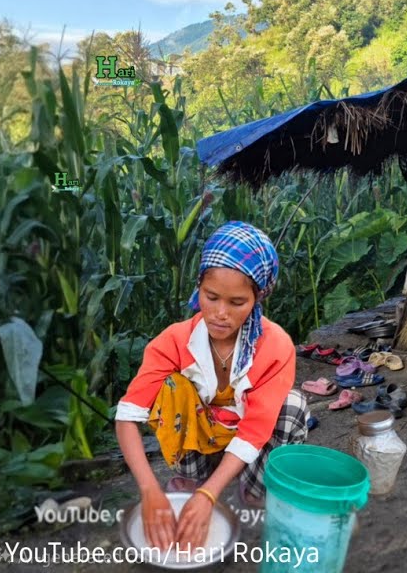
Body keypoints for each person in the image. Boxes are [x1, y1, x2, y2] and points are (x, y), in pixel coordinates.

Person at [114, 221, 307, 551]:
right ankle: (193, 477)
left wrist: (209, 495)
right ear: (198, 286)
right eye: (211, 297)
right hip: (200, 441)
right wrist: (149, 489)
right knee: (173, 386)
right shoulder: (173, 341)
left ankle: (252, 489)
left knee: (293, 406)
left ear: (258, 297)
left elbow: (255, 431)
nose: (220, 314)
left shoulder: (275, 347)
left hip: (246, 443)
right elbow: (128, 416)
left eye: (237, 303)